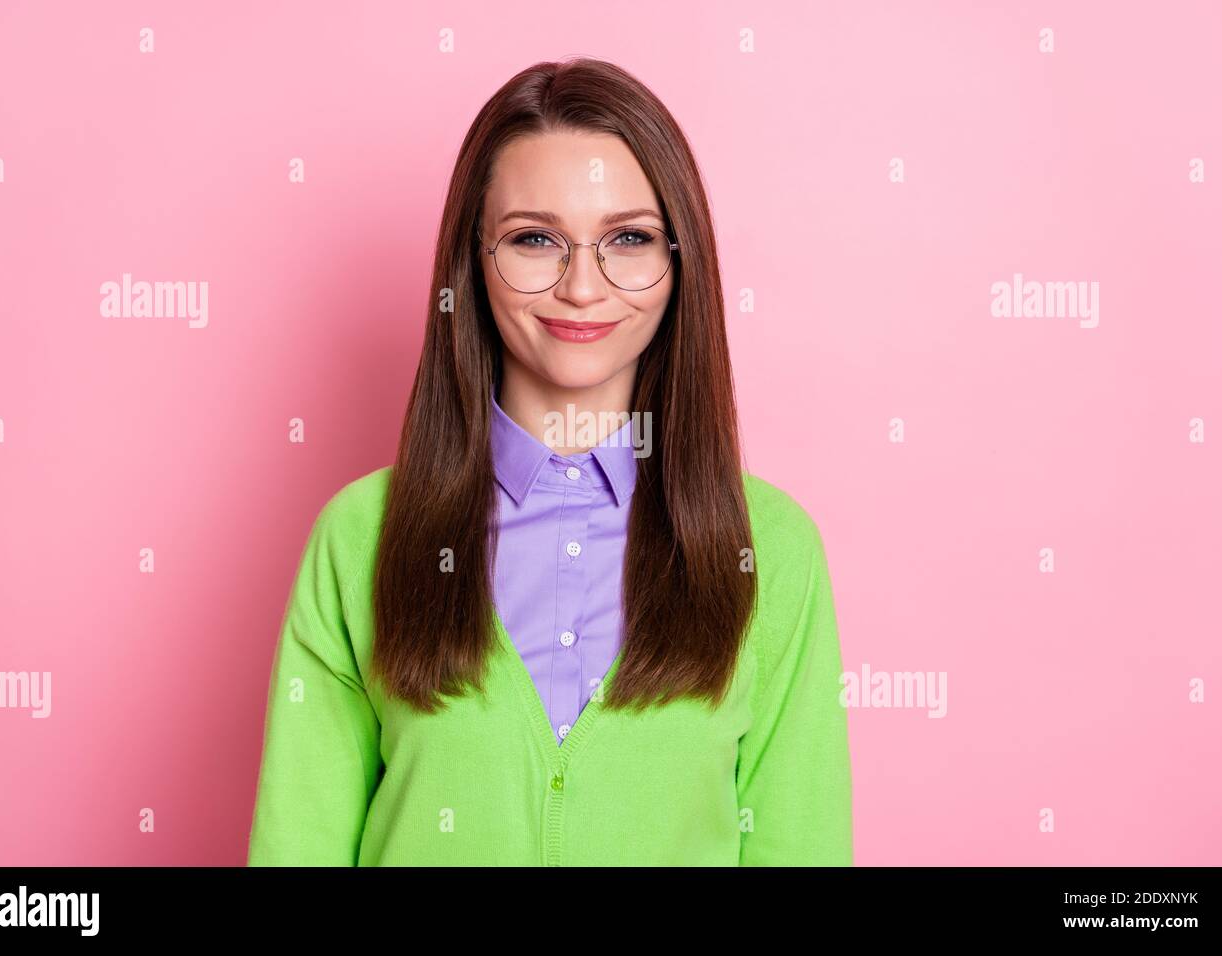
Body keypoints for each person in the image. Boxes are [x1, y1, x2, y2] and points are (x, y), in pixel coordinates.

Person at [247, 56, 852, 866]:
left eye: (627, 239)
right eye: (535, 239)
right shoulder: (360, 537)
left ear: (680, 264)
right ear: (474, 262)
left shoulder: (772, 551)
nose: (581, 287)